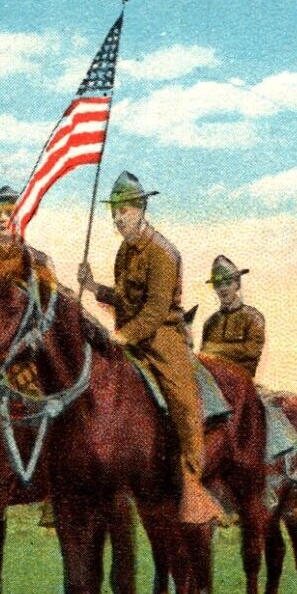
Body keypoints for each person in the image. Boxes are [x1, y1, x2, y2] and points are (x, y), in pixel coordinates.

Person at [78, 172, 222, 524]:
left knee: (183, 398)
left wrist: (126, 335)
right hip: (128, 335)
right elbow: (125, 298)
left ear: (141, 208)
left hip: (162, 338)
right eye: (114, 211)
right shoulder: (124, 251)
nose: (117, 218)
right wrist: (94, 287)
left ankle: (193, 481)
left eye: (124, 210)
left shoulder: (162, 252)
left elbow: (156, 309)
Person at [0, 186, 51, 397]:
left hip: (32, 362)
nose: (3, 219)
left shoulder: (39, 262)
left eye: (9, 213)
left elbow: (51, 315)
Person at [199, 255, 266, 380]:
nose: (223, 288)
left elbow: (252, 350)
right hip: (213, 382)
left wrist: (216, 349)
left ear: (237, 284)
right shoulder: (210, 322)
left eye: (228, 282)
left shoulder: (253, 317)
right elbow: (203, 356)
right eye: (218, 284)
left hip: (243, 383)